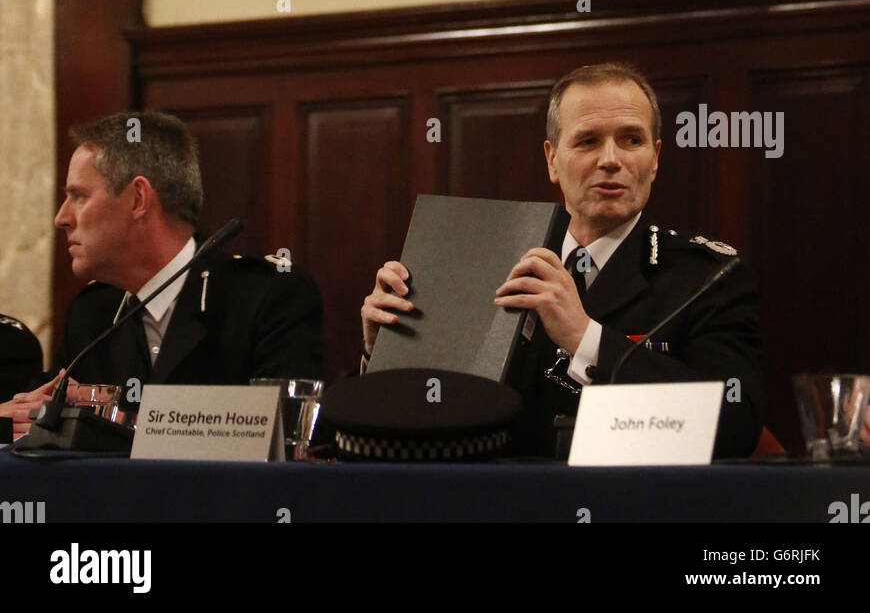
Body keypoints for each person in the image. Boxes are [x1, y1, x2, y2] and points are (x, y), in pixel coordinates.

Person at [361, 62, 763, 459]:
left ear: (654, 158)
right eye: (588, 141)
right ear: (552, 159)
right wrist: (386, 355)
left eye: (631, 140)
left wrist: (586, 339)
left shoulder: (708, 277)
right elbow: (421, 425)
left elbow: (734, 426)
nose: (610, 159)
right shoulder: (484, 265)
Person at [1, 111, 323, 438]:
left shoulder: (267, 298)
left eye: (79, 196)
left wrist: (113, 419)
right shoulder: (91, 313)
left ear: (138, 199)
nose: (61, 218)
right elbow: (46, 430)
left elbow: (283, 434)